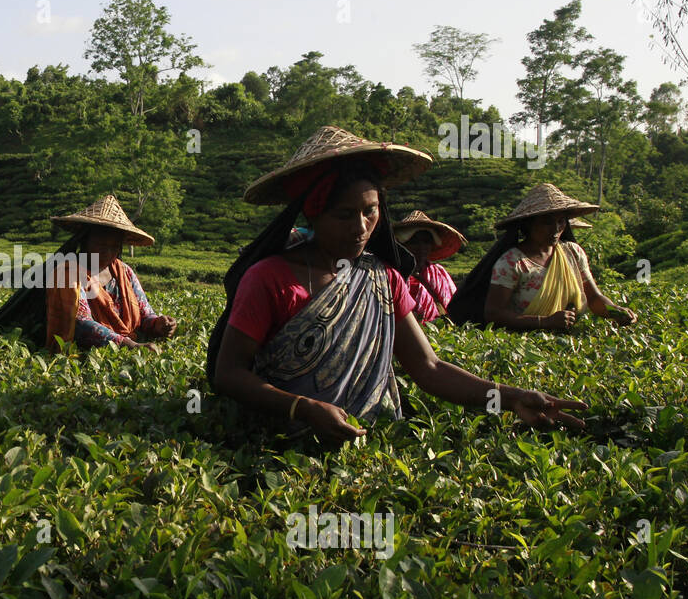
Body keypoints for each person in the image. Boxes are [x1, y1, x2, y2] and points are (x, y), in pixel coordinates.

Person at [206, 126, 587, 443]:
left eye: (369, 211)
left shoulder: (382, 277)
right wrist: (300, 407)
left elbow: (429, 368)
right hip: (274, 444)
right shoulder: (270, 278)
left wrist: (509, 397)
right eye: (343, 215)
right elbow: (230, 374)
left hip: (367, 443)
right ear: (314, 213)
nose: (360, 227)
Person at [449, 183, 636, 330]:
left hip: (570, 344)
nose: (556, 229)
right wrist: (544, 322)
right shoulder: (512, 262)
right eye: (547, 222)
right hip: (526, 347)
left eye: (561, 221)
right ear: (528, 225)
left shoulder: (573, 252)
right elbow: (494, 313)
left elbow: (594, 298)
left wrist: (615, 311)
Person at [44, 195, 176, 351]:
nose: (107, 252)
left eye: (114, 246)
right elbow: (79, 322)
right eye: (100, 244)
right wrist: (129, 345)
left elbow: (144, 313)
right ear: (85, 241)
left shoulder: (124, 272)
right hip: (88, 357)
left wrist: (158, 324)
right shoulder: (69, 272)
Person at [391, 210, 466, 323]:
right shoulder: (393, 275)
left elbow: (456, 308)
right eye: (414, 242)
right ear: (401, 245)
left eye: (426, 242)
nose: (421, 247)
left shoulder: (439, 273)